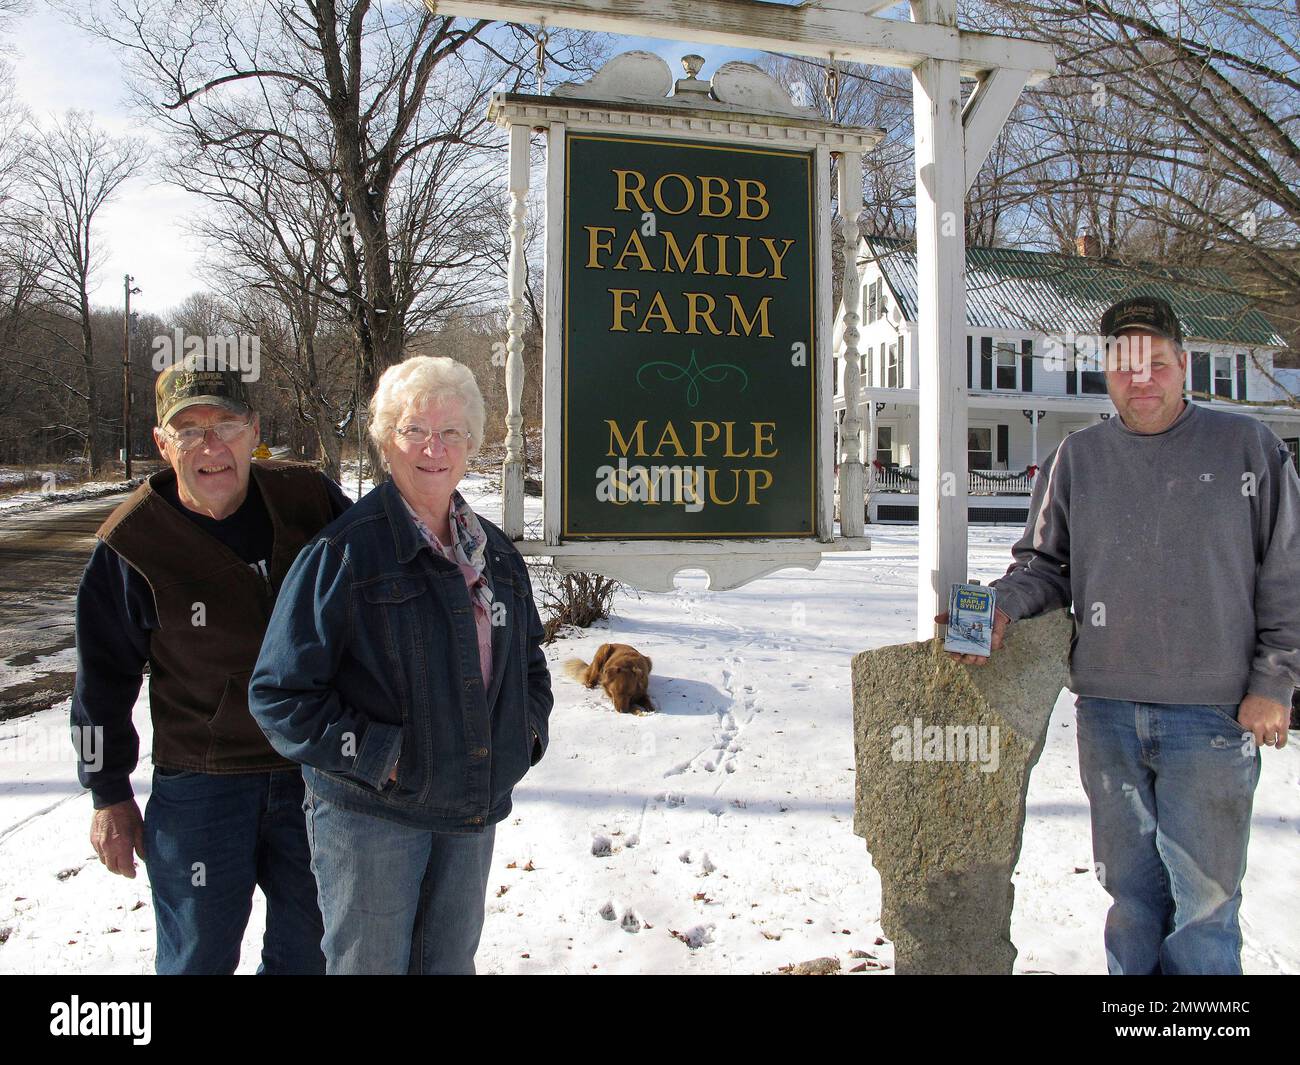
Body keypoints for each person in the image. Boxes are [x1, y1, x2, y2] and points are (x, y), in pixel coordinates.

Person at [945, 295, 1300, 975]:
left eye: (1157, 364)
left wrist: (1273, 681)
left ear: (1183, 365)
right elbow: (1042, 566)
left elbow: (1288, 573)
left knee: (1205, 908)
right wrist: (995, 609)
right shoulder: (1077, 458)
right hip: (1106, 715)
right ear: (1105, 371)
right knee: (1131, 901)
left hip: (1215, 716)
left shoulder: (1247, 447)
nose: (1142, 380)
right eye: (1125, 366)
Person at [248, 354, 553, 975]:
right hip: (372, 820)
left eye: (452, 432)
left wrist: (522, 735)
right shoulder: (344, 553)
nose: (433, 448)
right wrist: (379, 756)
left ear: (472, 442)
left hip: (470, 811)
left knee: (448, 966)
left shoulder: (494, 552)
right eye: (415, 429)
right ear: (388, 439)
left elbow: (528, 664)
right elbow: (280, 695)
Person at [71, 363, 351, 974]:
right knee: (195, 960)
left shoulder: (311, 500)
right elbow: (99, 685)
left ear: (254, 430)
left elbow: (379, 599)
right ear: (162, 443)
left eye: (224, 424)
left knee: (314, 954)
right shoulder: (130, 545)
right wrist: (108, 795)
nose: (210, 445)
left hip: (314, 774)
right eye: (189, 429)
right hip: (202, 783)